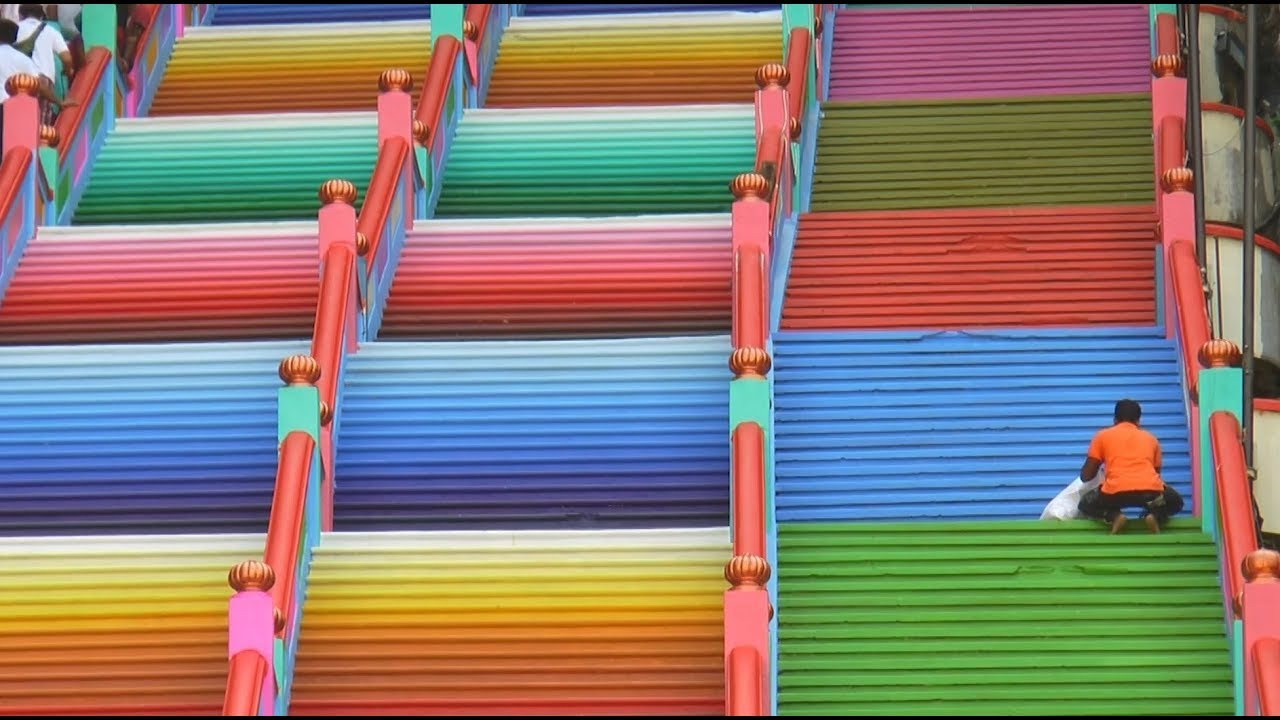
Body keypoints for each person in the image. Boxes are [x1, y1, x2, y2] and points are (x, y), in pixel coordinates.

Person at [1076, 399, 1186, 534]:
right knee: (1176, 502)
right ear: (1138, 421)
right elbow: (1156, 475)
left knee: (1084, 503)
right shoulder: (1151, 438)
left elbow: (1087, 476)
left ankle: (1114, 516)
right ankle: (1154, 516)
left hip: (1114, 493)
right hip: (1148, 492)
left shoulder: (1102, 436)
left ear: (1115, 419)